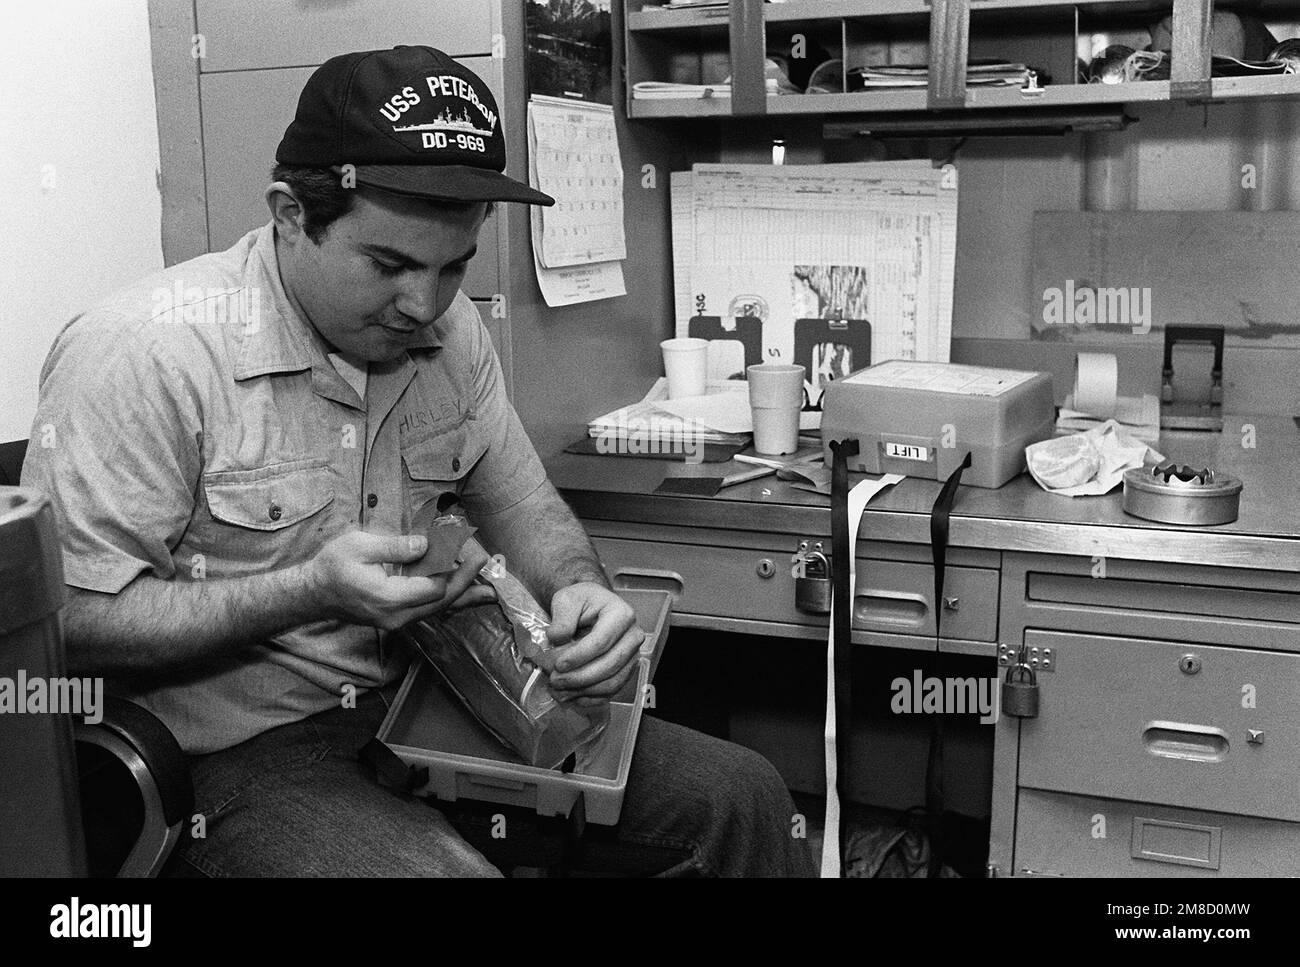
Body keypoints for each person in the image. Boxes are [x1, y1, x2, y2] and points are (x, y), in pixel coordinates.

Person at [22, 44, 815, 878]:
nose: (425, 304)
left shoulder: (450, 334)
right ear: (292, 215)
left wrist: (580, 585)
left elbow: (526, 507)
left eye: (454, 267)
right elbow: (66, 628)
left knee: (742, 795)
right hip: (242, 755)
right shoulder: (144, 355)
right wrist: (305, 589)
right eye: (391, 265)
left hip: (427, 700)